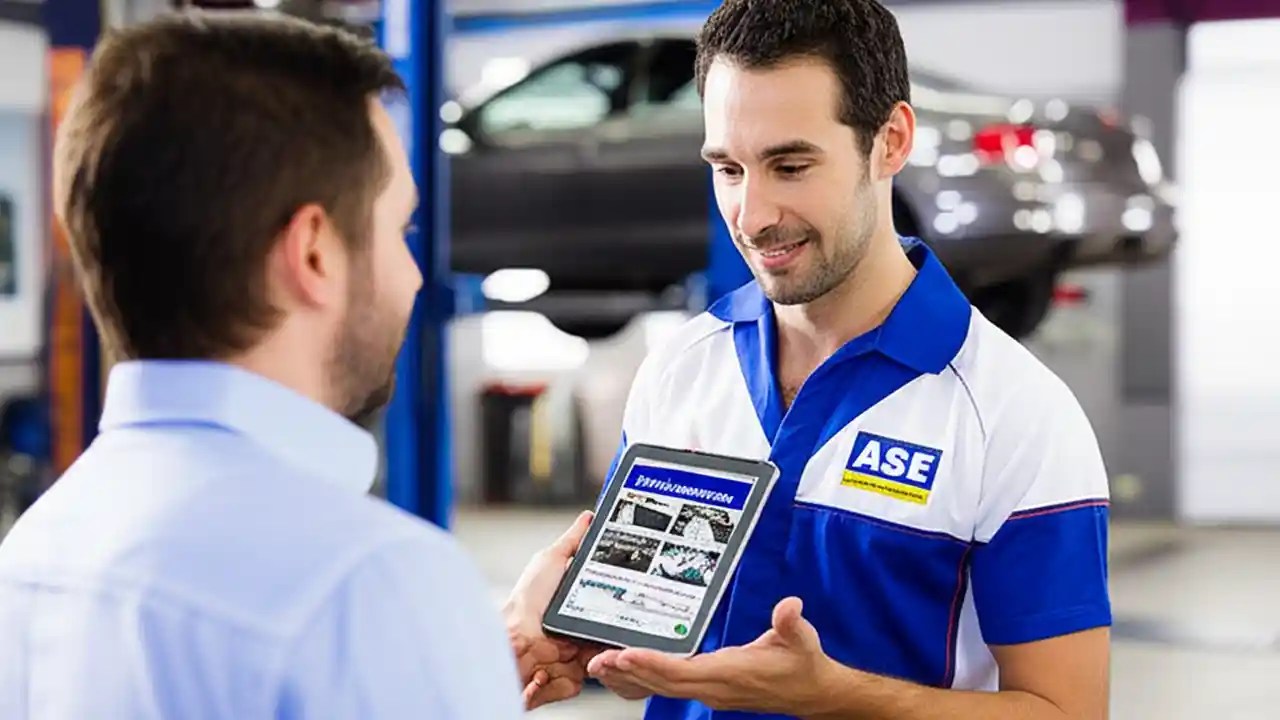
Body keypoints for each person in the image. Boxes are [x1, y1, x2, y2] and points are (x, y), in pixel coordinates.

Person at [523, 0, 1113, 717]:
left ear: (890, 141)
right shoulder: (681, 369)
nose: (752, 213)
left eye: (791, 164)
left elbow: (1068, 711)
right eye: (729, 168)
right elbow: (644, 620)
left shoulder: (1015, 413)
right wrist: (562, 634)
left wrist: (837, 697)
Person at [0, 12, 584, 718]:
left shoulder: (39, 547)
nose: (415, 277)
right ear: (313, 252)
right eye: (399, 230)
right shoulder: (370, 583)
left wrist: (466, 663)